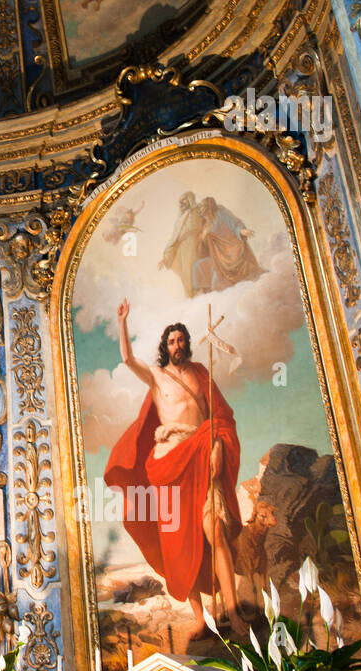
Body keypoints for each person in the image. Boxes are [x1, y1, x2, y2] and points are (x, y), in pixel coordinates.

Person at [105, 299, 245, 639]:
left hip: (200, 454)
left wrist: (216, 446)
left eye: (181, 340)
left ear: (187, 343)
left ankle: (233, 611)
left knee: (217, 532)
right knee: (177, 545)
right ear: (164, 347)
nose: (177, 345)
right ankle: (200, 619)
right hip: (168, 463)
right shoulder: (156, 377)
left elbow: (221, 418)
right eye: (171, 341)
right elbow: (126, 359)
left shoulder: (200, 374)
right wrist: (123, 321)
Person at [193, 196, 264, 293]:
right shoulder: (205, 223)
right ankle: (204, 295)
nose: (200, 210)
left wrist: (241, 230)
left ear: (208, 207)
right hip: (218, 257)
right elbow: (203, 244)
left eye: (202, 207)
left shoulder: (221, 213)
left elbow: (233, 223)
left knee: (217, 284)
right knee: (197, 266)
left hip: (230, 251)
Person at [159, 191, 206, 298]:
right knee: (186, 275)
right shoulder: (180, 218)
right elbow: (175, 238)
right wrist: (166, 258)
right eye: (181, 201)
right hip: (182, 249)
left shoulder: (197, 210)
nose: (182, 203)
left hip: (194, 245)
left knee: (194, 272)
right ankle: (191, 299)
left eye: (184, 199)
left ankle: (198, 296)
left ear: (190, 199)